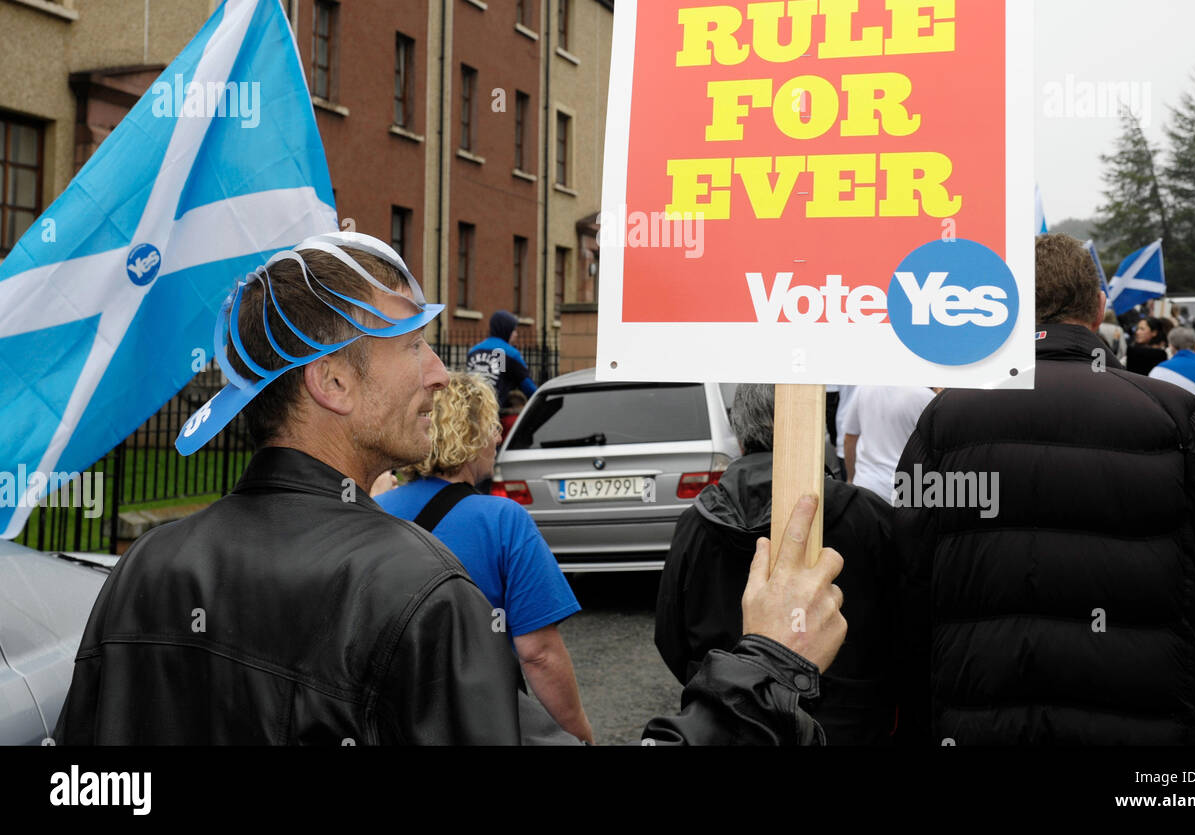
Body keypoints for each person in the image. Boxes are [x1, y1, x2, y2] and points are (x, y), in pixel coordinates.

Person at [54, 232, 849, 745]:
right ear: (331, 379)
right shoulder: (419, 587)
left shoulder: (145, 566)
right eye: (413, 344)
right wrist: (767, 665)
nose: (441, 371)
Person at [894, 233, 1195, 745]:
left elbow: (909, 584)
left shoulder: (944, 420)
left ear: (1011, 310)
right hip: (1154, 726)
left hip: (980, 717)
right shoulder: (1177, 417)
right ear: (1100, 306)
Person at [655, 383, 898, 745]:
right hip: (852, 723)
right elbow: (907, 623)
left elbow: (670, 637)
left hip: (736, 724)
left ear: (740, 432)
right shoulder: (867, 515)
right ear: (814, 427)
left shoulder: (695, 523)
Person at [375, 371, 592, 742]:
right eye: (491, 427)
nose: (498, 437)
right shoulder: (504, 520)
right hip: (476, 719)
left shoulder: (373, 511)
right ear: (470, 437)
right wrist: (581, 735)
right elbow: (538, 653)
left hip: (389, 719)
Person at [841, 384, 935, 501]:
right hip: (906, 490)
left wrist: (851, 478)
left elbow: (849, 438)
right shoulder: (926, 397)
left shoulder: (864, 388)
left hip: (866, 486)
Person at [467, 310, 536, 409]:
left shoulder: (473, 351)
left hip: (472, 407)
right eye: (514, 330)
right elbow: (527, 386)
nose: (516, 334)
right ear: (506, 329)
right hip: (495, 411)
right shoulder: (511, 354)